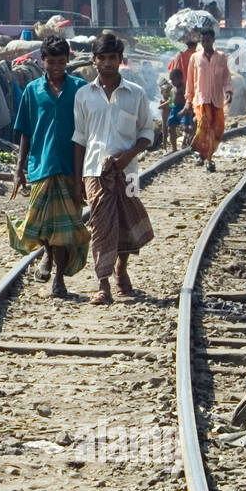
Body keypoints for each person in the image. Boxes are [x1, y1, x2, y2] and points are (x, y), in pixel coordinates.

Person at [72, 31, 156, 306]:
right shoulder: (84, 95)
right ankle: (103, 283)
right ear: (95, 60)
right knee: (100, 225)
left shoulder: (136, 94)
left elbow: (147, 132)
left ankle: (122, 267)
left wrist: (127, 155)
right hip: (94, 170)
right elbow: (80, 138)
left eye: (112, 58)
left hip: (128, 171)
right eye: (102, 58)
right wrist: (77, 179)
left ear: (120, 60)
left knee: (125, 221)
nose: (107, 63)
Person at [9, 35, 90, 297]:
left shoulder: (79, 89)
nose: (56, 67)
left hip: (70, 166)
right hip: (40, 166)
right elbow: (25, 132)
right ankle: (46, 253)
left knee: (66, 227)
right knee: (43, 223)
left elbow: (88, 131)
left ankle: (58, 279)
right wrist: (19, 169)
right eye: (51, 62)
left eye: (61, 62)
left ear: (68, 61)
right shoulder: (32, 91)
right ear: (42, 61)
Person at [182, 26, 235, 171]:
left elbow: (226, 77)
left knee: (217, 129)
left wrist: (229, 91)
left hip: (217, 99)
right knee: (206, 127)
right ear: (200, 41)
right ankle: (208, 160)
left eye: (208, 41)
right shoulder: (195, 58)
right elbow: (190, 80)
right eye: (203, 41)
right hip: (201, 99)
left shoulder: (222, 57)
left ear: (213, 40)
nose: (206, 44)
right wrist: (188, 99)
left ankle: (201, 150)